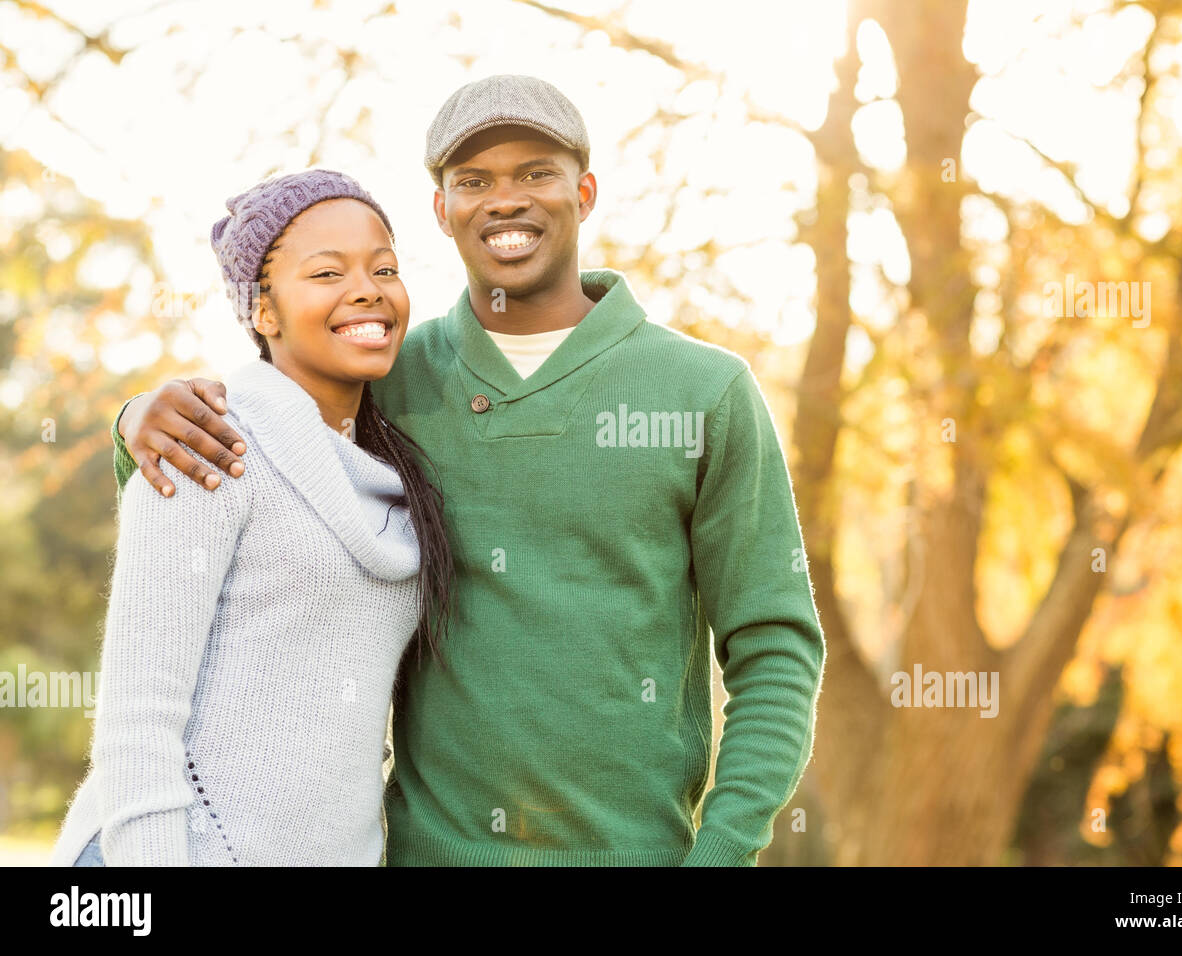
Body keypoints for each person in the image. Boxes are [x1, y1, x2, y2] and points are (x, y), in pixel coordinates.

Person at [108, 75, 825, 866]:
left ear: (583, 193)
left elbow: (776, 647)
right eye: (474, 181)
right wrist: (134, 418)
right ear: (442, 210)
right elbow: (248, 444)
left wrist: (723, 850)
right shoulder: (387, 379)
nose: (505, 200)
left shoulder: (704, 392)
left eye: (536, 174)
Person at [50, 170, 454, 866]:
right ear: (262, 312)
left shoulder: (393, 477)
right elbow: (137, 717)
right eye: (326, 272)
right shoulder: (208, 443)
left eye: (384, 267)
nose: (367, 288)